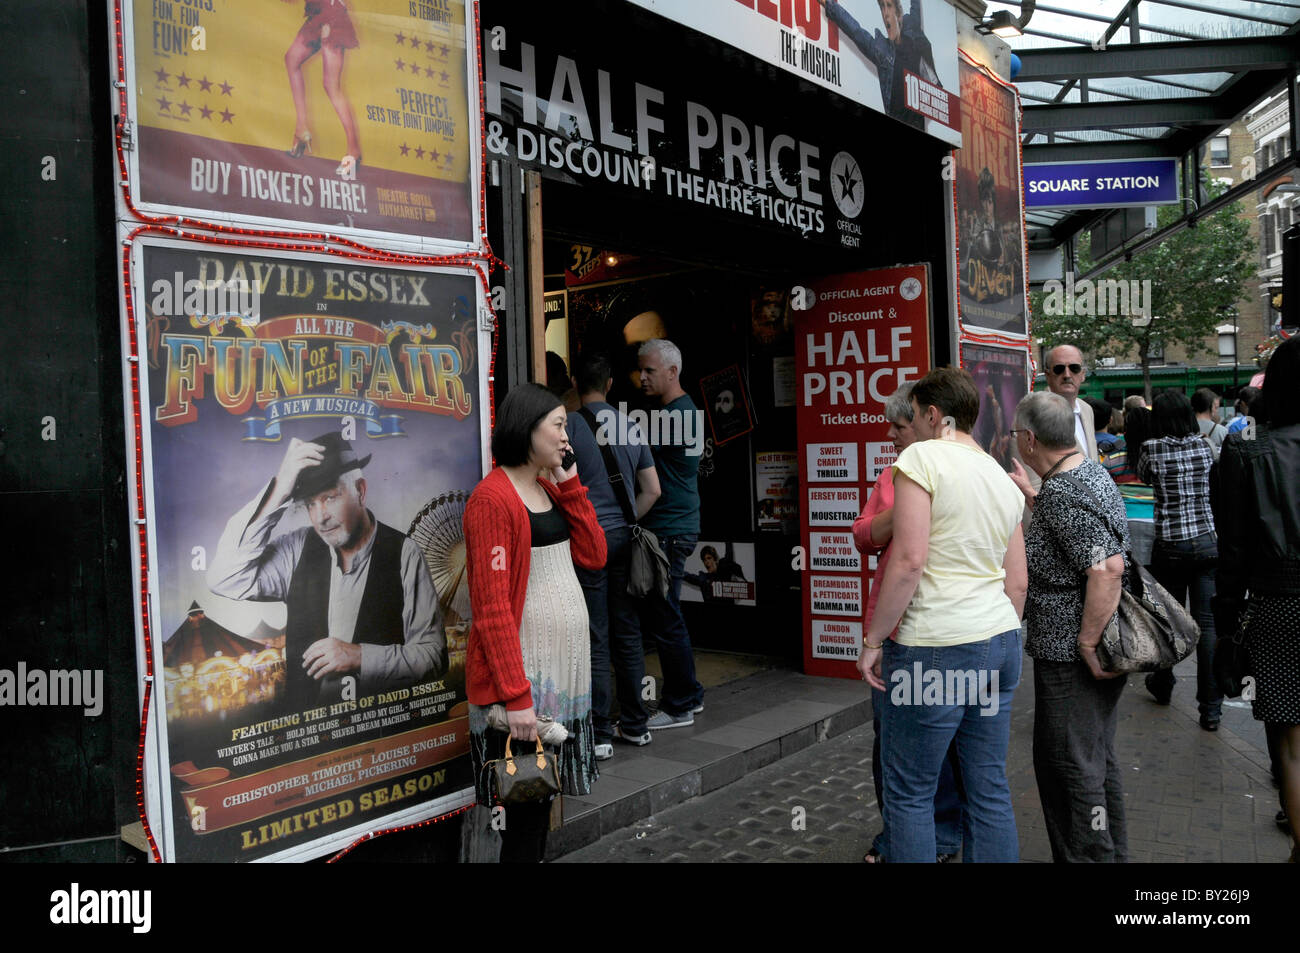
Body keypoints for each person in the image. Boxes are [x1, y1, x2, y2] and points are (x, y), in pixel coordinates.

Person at [859, 367, 1027, 863]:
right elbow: (1016, 581)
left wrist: (873, 641)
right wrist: (994, 634)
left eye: (910, 416)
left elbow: (909, 561)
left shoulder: (921, 457)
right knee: (988, 787)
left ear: (933, 415)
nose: (902, 429)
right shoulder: (1000, 473)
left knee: (910, 792)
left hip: (934, 644)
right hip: (999, 640)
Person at [462, 383, 607, 863]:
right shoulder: (492, 500)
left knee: (540, 802)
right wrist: (517, 696)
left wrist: (570, 486)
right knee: (525, 811)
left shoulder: (548, 487)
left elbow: (594, 554)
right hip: (526, 681)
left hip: (561, 676)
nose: (567, 438)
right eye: (559, 425)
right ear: (528, 429)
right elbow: (492, 609)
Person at [209, 432, 446, 711]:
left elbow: (434, 658)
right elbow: (224, 578)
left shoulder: (405, 553)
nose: (320, 517)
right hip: (309, 740)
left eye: (330, 497)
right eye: (311, 503)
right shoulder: (297, 549)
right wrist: (279, 491)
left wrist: (360, 656)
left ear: (360, 490)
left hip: (378, 735)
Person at [851, 382, 964, 864]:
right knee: (904, 747)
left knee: (913, 752)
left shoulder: (955, 471)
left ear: (926, 421)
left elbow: (910, 560)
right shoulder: (897, 476)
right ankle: (917, 836)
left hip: (924, 630)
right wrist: (909, 509)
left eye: (900, 425)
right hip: (944, 631)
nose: (893, 435)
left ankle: (924, 837)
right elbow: (863, 533)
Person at [1014, 392, 1130, 862]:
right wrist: (1035, 499)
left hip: (1071, 656)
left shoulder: (1064, 492)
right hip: (1098, 649)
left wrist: (1086, 641)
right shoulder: (1085, 473)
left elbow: (1107, 568)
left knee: (1070, 769)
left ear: (1028, 438)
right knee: (1095, 761)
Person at [1215, 336, 1300, 862]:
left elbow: (1234, 549)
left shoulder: (1247, 453)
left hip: (1277, 602)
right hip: (1276, 597)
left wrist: (1225, 621)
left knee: (1289, 744)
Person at [567, 351, 661, 757]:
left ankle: (601, 732)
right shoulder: (631, 425)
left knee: (596, 635)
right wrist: (626, 522)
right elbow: (653, 489)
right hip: (624, 538)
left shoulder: (567, 426)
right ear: (609, 385)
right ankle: (637, 724)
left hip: (587, 542)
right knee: (628, 631)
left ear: (575, 383)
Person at [1139, 390, 1221, 730]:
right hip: (1206, 544)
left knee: (1169, 620)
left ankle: (1163, 682)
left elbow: (1145, 478)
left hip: (1170, 546)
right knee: (1208, 627)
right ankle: (1211, 709)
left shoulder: (1151, 449)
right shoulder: (1206, 446)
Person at [636, 339, 706, 729]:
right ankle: (689, 695)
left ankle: (679, 704)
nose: (642, 377)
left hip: (668, 529)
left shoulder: (675, 416)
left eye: (649, 370)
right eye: (640, 369)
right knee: (669, 614)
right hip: (675, 526)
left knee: (666, 618)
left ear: (672, 371)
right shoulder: (679, 412)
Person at [822, 0, 942, 131]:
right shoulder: (883, 53)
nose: (885, 14)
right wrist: (830, 5)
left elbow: (915, 6)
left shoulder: (913, 30)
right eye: (882, 8)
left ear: (899, 13)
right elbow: (856, 31)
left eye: (889, 6)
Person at [1010, 345, 1098, 513]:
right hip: (1055, 521)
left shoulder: (1087, 410)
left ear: (1083, 374)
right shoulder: (1030, 413)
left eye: (1074, 368)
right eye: (1059, 369)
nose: (1067, 375)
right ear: (1048, 375)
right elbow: (1031, 485)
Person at [282, 0, 363, 180]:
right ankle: (301, 129)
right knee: (292, 60)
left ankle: (354, 152)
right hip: (319, 13)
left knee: (331, 85)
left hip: (332, 17)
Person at [1192, 387, 1228, 460]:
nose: (1217, 411)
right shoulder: (1222, 431)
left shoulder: (1184, 429)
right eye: (1216, 407)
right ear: (1210, 407)